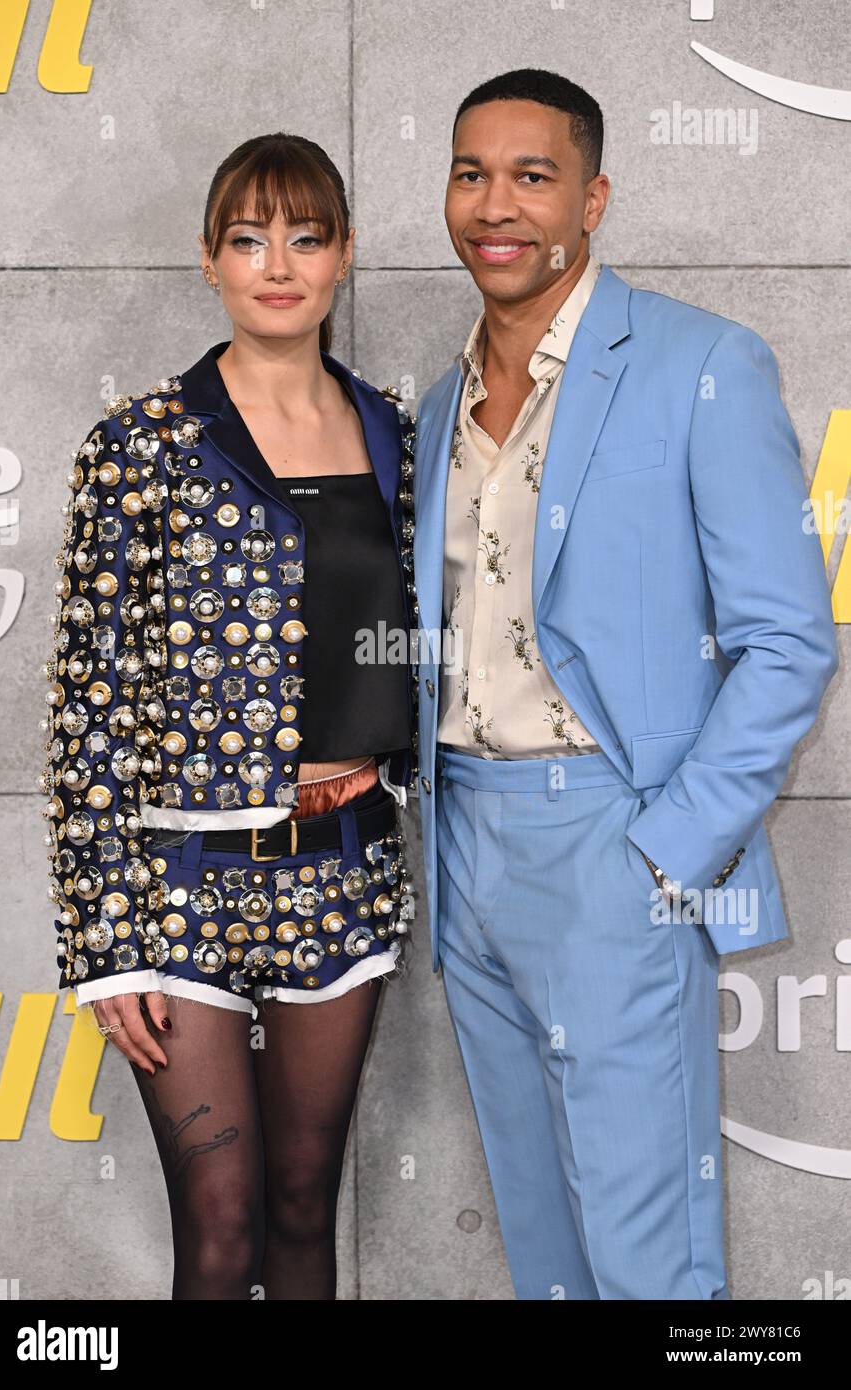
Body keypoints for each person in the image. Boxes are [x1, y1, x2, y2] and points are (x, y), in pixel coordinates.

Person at [412, 69, 838, 1300]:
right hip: (464, 851)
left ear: (590, 197)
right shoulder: (440, 404)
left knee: (649, 1265)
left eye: (532, 176)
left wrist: (665, 852)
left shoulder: (699, 363)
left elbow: (787, 640)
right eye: (469, 172)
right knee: (543, 1254)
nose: (496, 205)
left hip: (611, 845)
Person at [42, 133, 418, 1300]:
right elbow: (85, 705)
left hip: (343, 873)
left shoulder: (396, 434)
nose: (277, 264)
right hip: (179, 885)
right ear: (208, 260)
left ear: (343, 256)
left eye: (305, 237)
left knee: (305, 1213)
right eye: (248, 238)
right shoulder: (140, 445)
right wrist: (105, 938)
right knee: (217, 1226)